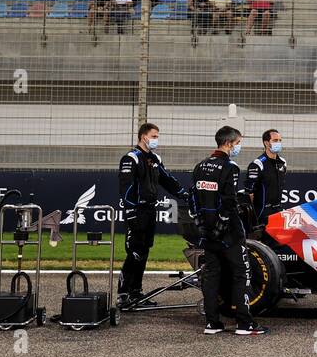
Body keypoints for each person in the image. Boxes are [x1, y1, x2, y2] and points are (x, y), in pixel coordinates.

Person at [190, 126, 266, 335]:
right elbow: (229, 201)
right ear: (229, 143)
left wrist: (203, 225)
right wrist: (222, 226)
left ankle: (212, 323)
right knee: (242, 272)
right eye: (238, 142)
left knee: (212, 274)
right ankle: (244, 323)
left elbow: (193, 199)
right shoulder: (230, 167)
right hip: (229, 233)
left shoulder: (200, 166)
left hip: (206, 232)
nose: (239, 146)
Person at [117, 123, 189, 306]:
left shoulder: (155, 158)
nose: (156, 139)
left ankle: (136, 292)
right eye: (154, 136)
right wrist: (131, 211)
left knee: (144, 250)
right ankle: (123, 295)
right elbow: (126, 189)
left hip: (150, 210)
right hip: (137, 211)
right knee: (134, 252)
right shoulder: (130, 158)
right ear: (143, 137)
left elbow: (167, 180)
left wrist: (184, 194)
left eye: (157, 136)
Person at [244, 129, 287, 234]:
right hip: (262, 212)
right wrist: (252, 217)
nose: (279, 143)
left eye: (280, 140)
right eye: (275, 140)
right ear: (266, 143)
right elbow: (249, 193)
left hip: (278, 210)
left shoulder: (283, 163)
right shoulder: (258, 164)